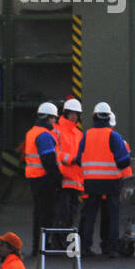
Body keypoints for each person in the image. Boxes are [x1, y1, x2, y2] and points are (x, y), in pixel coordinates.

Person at [75, 102, 133, 258]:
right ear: (109, 118)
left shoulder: (87, 135)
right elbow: (123, 161)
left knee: (90, 216)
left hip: (91, 181)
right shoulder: (114, 136)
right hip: (111, 182)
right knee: (113, 216)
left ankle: (85, 248)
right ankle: (111, 248)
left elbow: (78, 159)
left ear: (94, 116)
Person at [24, 102, 62, 256]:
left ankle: (37, 247)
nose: (55, 122)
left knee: (38, 213)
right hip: (44, 180)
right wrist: (57, 178)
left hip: (34, 178)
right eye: (53, 118)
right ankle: (44, 247)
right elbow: (49, 161)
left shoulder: (31, 132)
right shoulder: (44, 135)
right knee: (47, 214)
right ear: (48, 118)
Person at [55, 98, 84, 229]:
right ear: (65, 113)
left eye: (76, 114)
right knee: (62, 215)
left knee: (72, 216)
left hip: (76, 182)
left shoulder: (79, 134)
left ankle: (65, 244)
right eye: (71, 113)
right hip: (62, 179)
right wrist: (72, 159)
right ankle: (57, 243)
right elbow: (54, 153)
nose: (74, 116)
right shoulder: (57, 130)